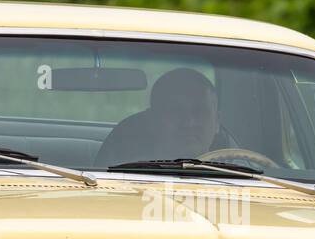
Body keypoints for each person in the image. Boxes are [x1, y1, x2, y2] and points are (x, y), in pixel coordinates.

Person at [93, 68, 225, 167]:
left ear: (217, 122)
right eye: (176, 111)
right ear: (153, 121)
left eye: (200, 112)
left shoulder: (241, 175)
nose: (189, 122)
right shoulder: (121, 176)